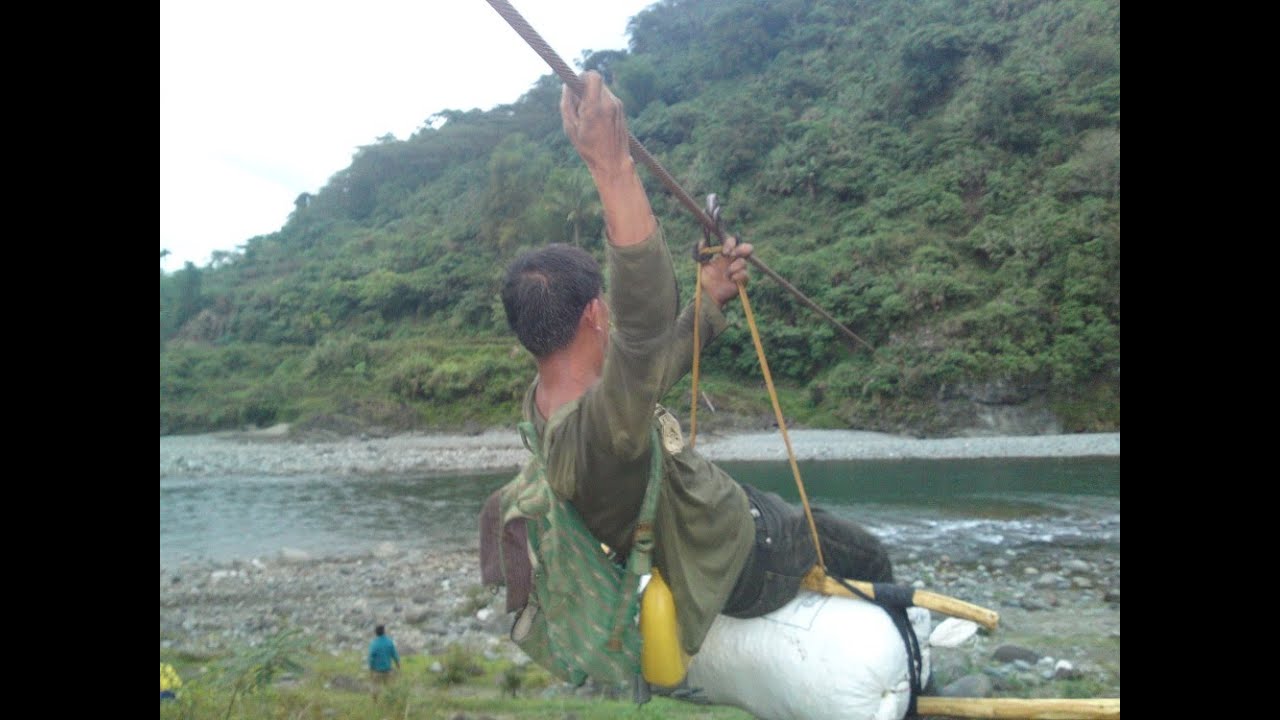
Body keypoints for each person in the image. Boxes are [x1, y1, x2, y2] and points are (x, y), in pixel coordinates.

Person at [481, 71, 893, 663]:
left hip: (722, 522)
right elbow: (645, 326)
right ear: (597, 314)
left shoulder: (552, 404)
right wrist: (611, 166)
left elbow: (646, 368)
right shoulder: (598, 430)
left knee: (811, 519)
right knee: (870, 557)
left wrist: (710, 298)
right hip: (745, 558)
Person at [367, 624, 400, 695]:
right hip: (388, 670)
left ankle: (375, 702)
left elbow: (371, 658)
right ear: (384, 631)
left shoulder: (374, 644)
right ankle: (390, 701)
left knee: (375, 688)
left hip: (377, 671)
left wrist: (371, 668)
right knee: (390, 687)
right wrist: (398, 665)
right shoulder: (389, 642)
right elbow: (394, 655)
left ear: (375, 633)